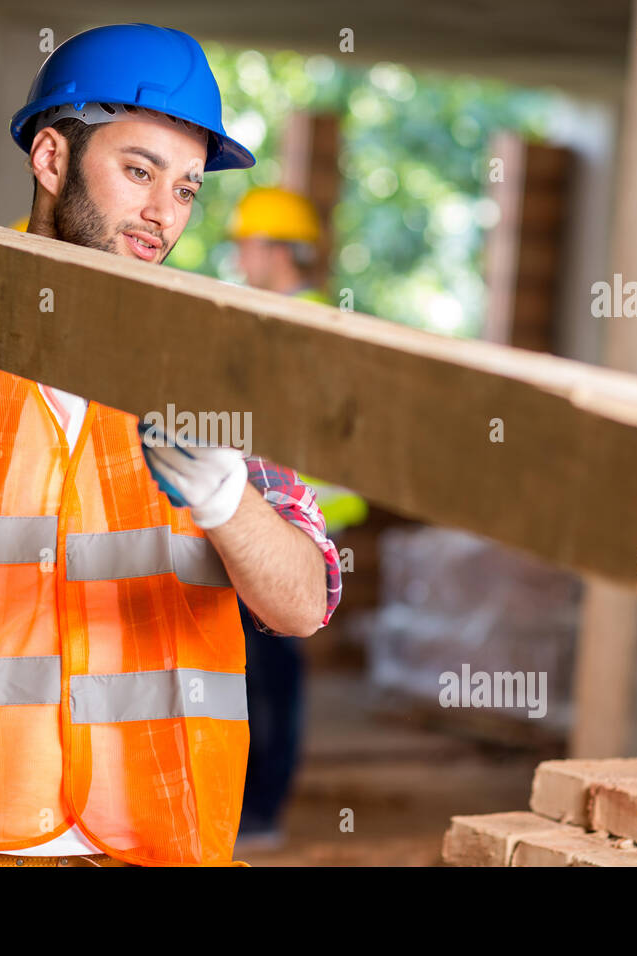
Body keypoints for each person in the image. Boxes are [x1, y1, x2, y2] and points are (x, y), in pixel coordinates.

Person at [0, 24, 343, 868]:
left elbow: (303, 605)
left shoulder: (219, 374)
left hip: (155, 841)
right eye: (139, 170)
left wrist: (229, 501)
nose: (165, 214)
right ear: (51, 160)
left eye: (188, 189)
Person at [228, 186, 367, 849]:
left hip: (294, 521)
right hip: (288, 516)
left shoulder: (296, 324)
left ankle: (260, 810)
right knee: (265, 669)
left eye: (245, 245)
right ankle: (256, 805)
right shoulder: (298, 316)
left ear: (276, 250)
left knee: (272, 672)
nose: (239, 258)